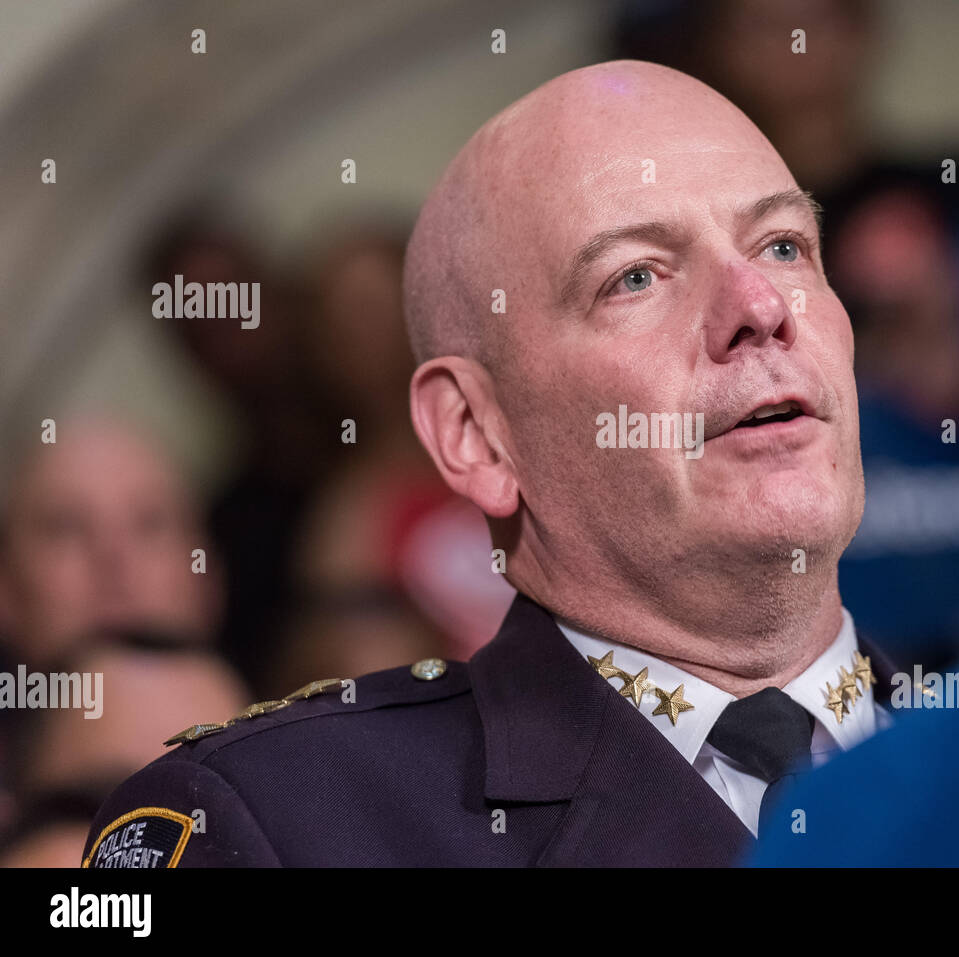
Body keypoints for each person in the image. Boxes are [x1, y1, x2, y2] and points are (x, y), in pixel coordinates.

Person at [81, 59, 900, 867]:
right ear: (478, 433)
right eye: (636, 276)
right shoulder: (274, 821)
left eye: (785, 246)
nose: (759, 308)